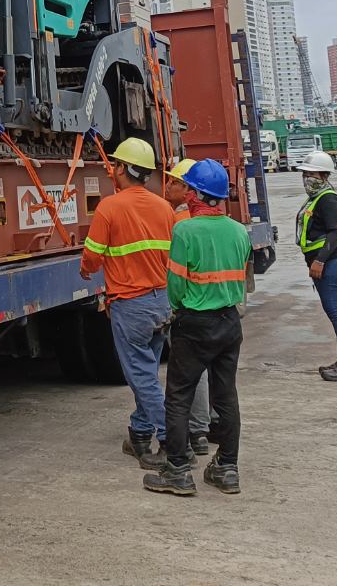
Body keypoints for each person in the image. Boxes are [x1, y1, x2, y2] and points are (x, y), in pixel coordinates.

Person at [146, 158, 251, 497]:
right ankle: (228, 468)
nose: (185, 193)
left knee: (178, 397)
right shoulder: (238, 231)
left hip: (194, 322)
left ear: (197, 194)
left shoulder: (185, 230)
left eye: (188, 188)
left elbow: (175, 284)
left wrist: (178, 310)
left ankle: (177, 470)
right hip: (229, 322)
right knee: (226, 396)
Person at [78, 137, 178, 469]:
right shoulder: (164, 207)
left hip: (130, 305)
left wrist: (86, 269)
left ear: (121, 169)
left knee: (142, 377)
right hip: (162, 301)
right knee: (146, 371)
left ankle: (171, 443)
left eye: (115, 165)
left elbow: (91, 258)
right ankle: (138, 434)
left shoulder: (110, 206)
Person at [295, 150, 337, 381]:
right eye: (304, 174)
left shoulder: (329, 199)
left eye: (311, 174)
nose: (306, 178)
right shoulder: (318, 198)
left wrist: (320, 260)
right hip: (329, 262)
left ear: (324, 175)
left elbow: (335, 233)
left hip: (332, 262)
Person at [162, 157, 214, 456]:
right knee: (212, 370)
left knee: (186, 375)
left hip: (190, 308)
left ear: (188, 190)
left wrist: (174, 307)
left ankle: (192, 436)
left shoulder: (181, 224)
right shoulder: (224, 226)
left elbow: (176, 275)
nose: (167, 185)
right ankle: (208, 425)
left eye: (174, 182)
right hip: (218, 310)